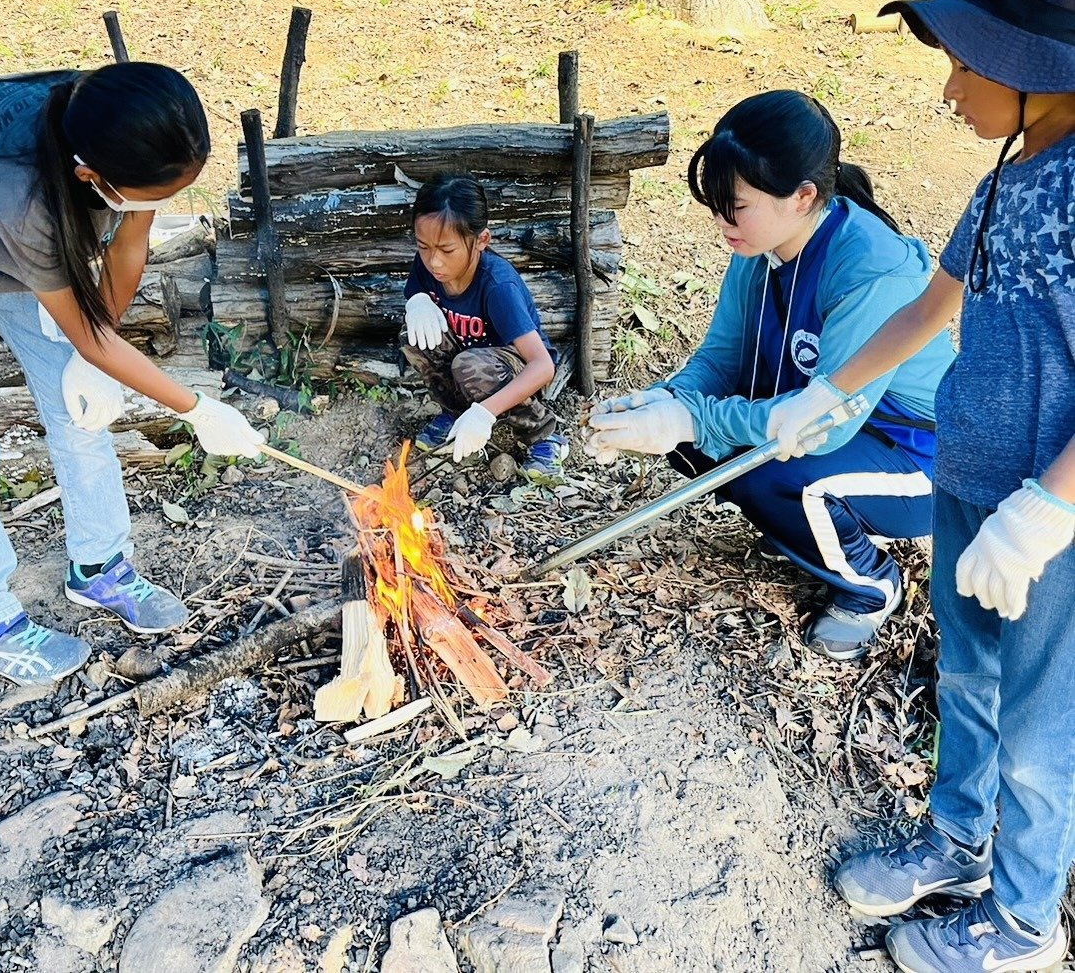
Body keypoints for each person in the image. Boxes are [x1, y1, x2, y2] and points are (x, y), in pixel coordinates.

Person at [769, 0, 1075, 973]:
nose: (948, 86)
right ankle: (956, 841)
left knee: (1039, 725)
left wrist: (1048, 508)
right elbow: (929, 307)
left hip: (1045, 519)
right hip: (967, 476)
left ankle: (1023, 921)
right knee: (967, 679)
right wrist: (828, 389)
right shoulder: (1002, 182)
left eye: (965, 62)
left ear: (1037, 69)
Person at [583, 90, 956, 660]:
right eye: (715, 204)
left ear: (803, 196)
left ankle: (871, 585)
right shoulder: (762, 245)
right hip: (835, 425)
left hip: (920, 456)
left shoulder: (870, 271)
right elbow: (722, 359)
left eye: (736, 205)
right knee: (696, 442)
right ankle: (812, 528)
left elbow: (825, 427)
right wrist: (659, 404)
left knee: (771, 475)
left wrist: (689, 418)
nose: (720, 221)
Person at [0, 63, 266, 688]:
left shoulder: (117, 125)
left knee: (80, 407)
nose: (154, 206)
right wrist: (197, 409)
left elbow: (130, 242)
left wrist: (89, 355)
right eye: (148, 195)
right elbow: (90, 332)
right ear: (89, 177)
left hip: (12, 251)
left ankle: (98, 566)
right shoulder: (23, 197)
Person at [401, 174, 567, 480]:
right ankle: (456, 414)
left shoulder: (497, 286)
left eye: (446, 250)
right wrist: (417, 300)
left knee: (470, 365)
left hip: (516, 371)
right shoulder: (427, 266)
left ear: (481, 240)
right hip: (469, 363)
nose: (434, 262)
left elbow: (543, 366)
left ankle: (544, 435)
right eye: (423, 246)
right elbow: (416, 289)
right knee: (413, 335)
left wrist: (485, 413)